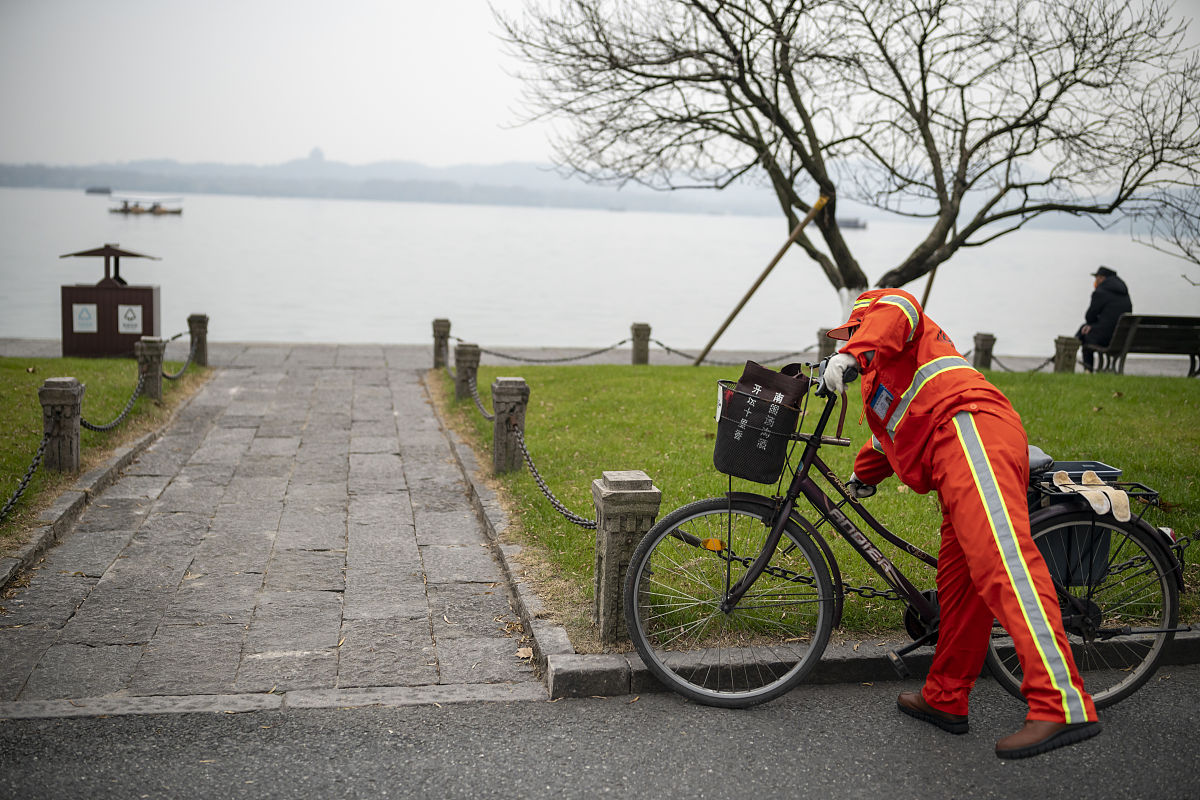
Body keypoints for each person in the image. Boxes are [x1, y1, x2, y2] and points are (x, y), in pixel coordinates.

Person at [822, 288, 1100, 759]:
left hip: (971, 430)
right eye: (847, 337)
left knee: (1002, 564)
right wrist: (862, 475)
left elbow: (898, 309)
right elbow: (890, 433)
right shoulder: (882, 376)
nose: (850, 340)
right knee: (960, 590)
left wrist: (852, 353)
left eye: (854, 332)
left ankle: (1061, 703)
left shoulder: (894, 316)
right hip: (953, 455)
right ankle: (945, 697)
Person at [1075, 266, 1132, 372]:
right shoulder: (1124, 293)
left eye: (1096, 278)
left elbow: (1089, 316)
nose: (1095, 281)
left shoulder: (1100, 292)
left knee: (1084, 335)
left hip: (1105, 338)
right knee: (1084, 329)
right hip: (1123, 338)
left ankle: (1087, 370)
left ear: (1101, 278)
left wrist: (1090, 324)